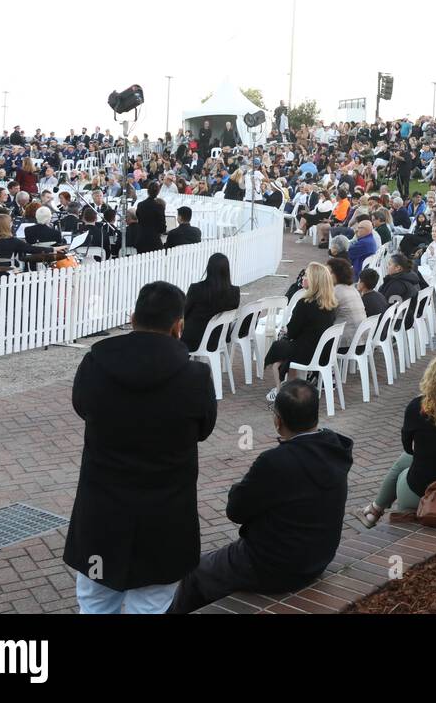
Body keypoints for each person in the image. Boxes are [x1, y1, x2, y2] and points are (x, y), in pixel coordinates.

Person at [63, 281, 217, 613]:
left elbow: (82, 407)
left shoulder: (95, 364)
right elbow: (203, 429)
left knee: (95, 601)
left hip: (101, 512)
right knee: (150, 606)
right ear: (178, 326)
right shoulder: (196, 377)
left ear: (133, 318)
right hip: (165, 517)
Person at [169, 380, 353, 614]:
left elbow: (235, 510)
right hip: (317, 558)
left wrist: (241, 488)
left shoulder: (275, 462)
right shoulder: (336, 449)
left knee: (197, 573)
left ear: (278, 420)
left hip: (271, 565)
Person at [359, 348, 436, 527]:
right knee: (408, 460)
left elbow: (407, 446)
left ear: (435, 373)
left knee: (404, 470)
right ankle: (374, 509)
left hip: (426, 488)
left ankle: (377, 511)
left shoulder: (418, 406)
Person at [264, 261, 338, 383]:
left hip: (309, 352)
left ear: (314, 281)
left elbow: (292, 332)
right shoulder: (329, 302)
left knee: (278, 345)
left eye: (306, 276)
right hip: (324, 351)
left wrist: (286, 331)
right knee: (283, 345)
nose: (303, 278)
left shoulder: (305, 303)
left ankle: (280, 389)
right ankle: (290, 382)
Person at [183, 252, 241, 352]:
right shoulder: (234, 292)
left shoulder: (196, 289)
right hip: (219, 339)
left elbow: (184, 313)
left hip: (194, 340)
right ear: (227, 270)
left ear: (208, 268)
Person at [135, 181, 167, 254]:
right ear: (158, 192)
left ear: (148, 191)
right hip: (154, 240)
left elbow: (138, 218)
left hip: (141, 239)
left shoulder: (140, 205)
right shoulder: (159, 206)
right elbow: (162, 227)